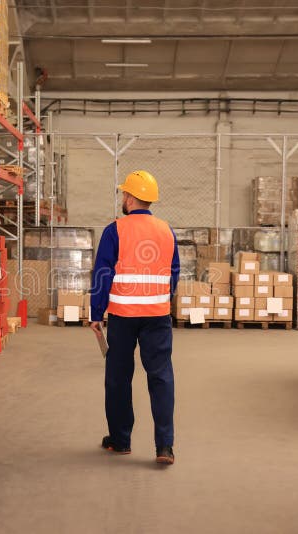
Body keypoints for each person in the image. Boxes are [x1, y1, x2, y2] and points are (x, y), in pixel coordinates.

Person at [89, 170, 180, 465]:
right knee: (161, 377)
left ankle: (120, 440)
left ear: (129, 197)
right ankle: (164, 446)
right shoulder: (167, 230)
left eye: (123, 194)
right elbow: (174, 273)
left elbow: (103, 274)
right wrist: (162, 300)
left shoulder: (115, 230)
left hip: (123, 316)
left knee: (118, 378)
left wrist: (95, 312)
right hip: (157, 316)